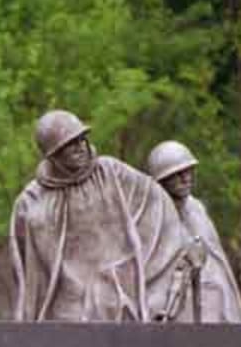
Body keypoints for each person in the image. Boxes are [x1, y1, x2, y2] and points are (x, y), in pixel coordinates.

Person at [10, 110, 193, 323]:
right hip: (65, 312)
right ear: (53, 154)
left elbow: (158, 208)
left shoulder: (113, 173)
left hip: (119, 300)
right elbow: (26, 271)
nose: (80, 146)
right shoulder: (31, 201)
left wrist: (174, 257)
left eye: (82, 139)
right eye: (71, 143)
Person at [147, 140, 241, 323]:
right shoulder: (152, 215)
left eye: (189, 171)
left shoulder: (196, 209)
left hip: (210, 296)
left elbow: (217, 261)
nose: (186, 178)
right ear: (161, 180)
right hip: (171, 302)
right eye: (177, 174)